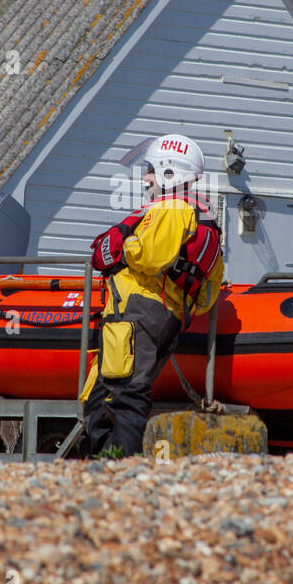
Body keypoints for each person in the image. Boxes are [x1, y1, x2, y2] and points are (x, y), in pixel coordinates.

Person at [83, 134, 225, 456]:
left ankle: (116, 466)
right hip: (152, 314)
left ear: (169, 172)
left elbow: (147, 255)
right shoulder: (200, 216)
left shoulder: (173, 210)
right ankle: (112, 464)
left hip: (138, 311)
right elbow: (207, 294)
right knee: (110, 392)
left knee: (121, 395)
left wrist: (122, 244)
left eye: (150, 169)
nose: (146, 177)